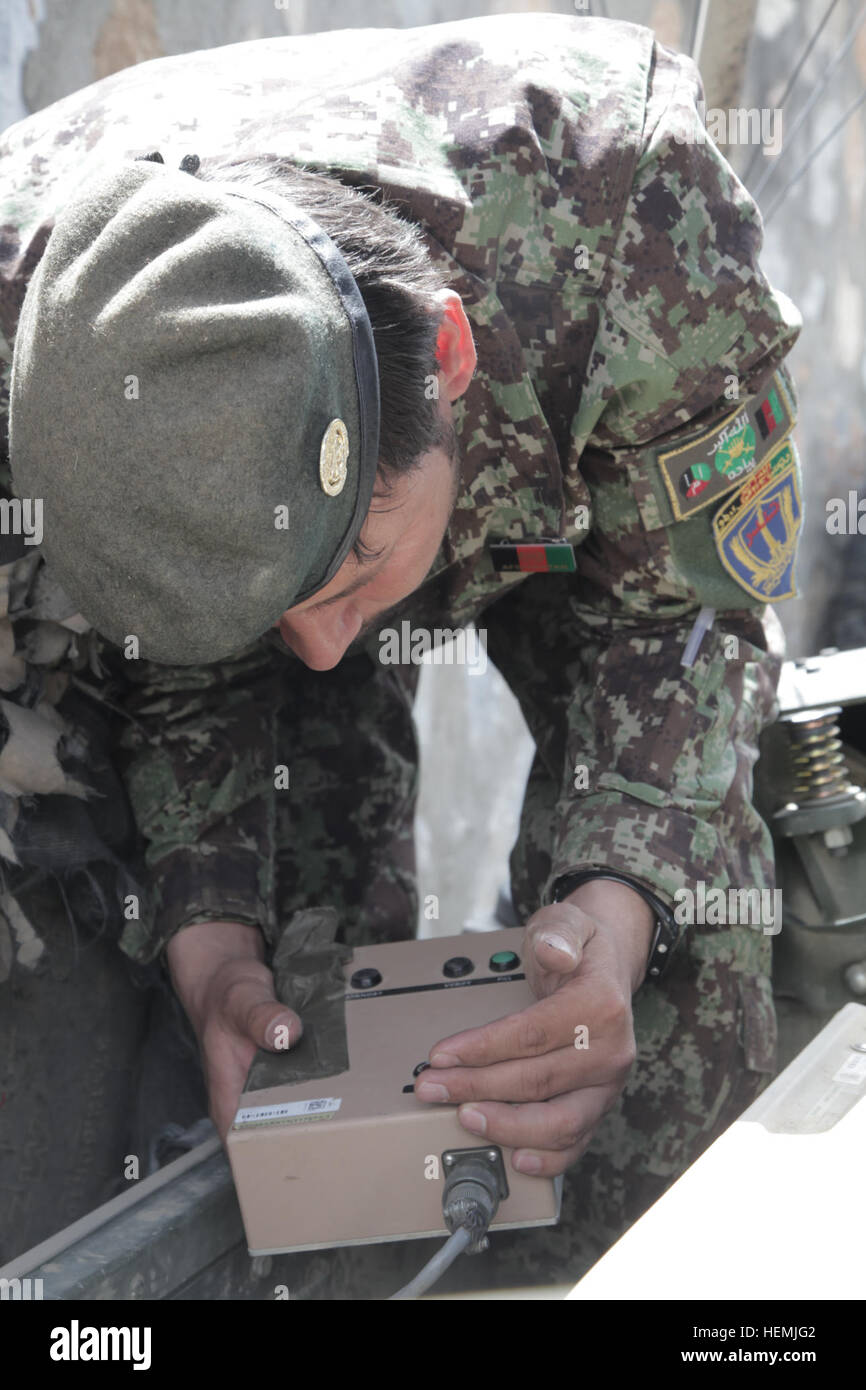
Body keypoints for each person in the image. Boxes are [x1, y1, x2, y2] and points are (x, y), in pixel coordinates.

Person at [0, 11, 801, 1294]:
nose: (325, 650)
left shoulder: (638, 214)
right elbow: (176, 657)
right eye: (284, 612)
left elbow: (683, 621)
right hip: (249, 539)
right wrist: (210, 936)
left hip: (571, 475)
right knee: (302, 979)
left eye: (354, 579)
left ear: (450, 350)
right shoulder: (52, 353)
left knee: (681, 936)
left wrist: (617, 911)